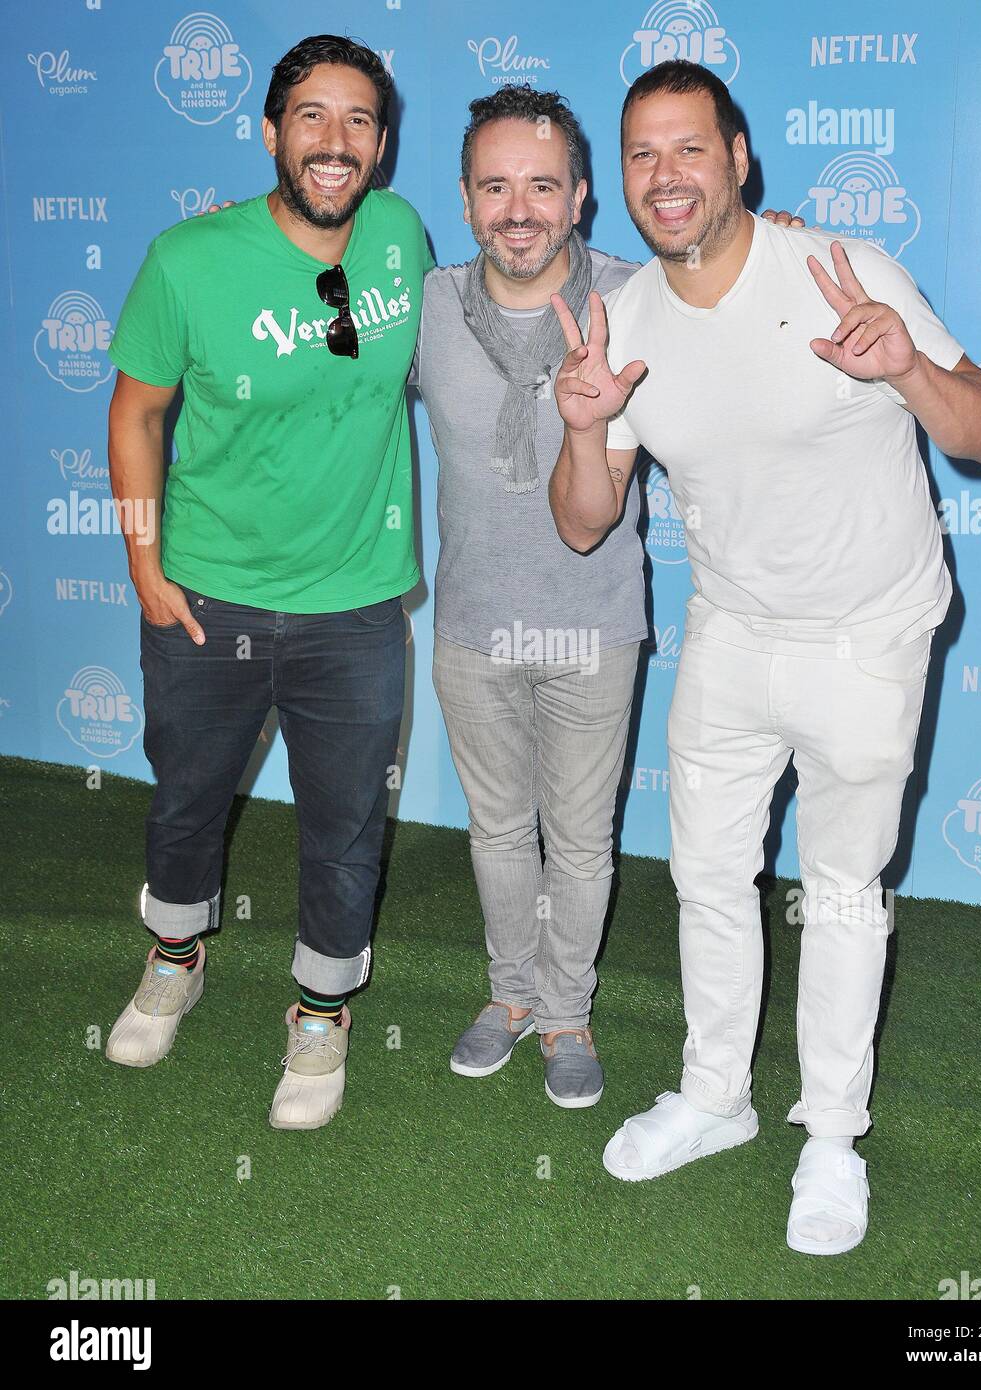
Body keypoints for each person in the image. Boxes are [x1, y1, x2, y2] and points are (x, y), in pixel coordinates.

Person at [548, 60, 981, 1250]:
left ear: (738, 157)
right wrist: (585, 427)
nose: (667, 175)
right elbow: (584, 520)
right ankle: (714, 1099)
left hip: (867, 638)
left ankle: (827, 1139)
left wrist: (903, 364)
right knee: (706, 875)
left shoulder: (839, 271)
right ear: (619, 181)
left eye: (689, 148)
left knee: (844, 892)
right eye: (643, 154)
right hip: (730, 633)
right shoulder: (623, 319)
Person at [414, 87, 803, 1108]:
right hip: (469, 625)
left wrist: (787, 246)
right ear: (463, 200)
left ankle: (568, 1011)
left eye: (541, 185)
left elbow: (747, 280)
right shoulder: (426, 307)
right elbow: (321, 371)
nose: (518, 208)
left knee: (581, 841)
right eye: (494, 186)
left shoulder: (638, 297)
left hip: (593, 627)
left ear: (580, 197)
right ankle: (508, 996)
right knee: (498, 832)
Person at [104, 35, 432, 1132]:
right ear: (270, 132)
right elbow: (137, 410)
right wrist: (145, 559)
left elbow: (521, 277)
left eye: (357, 122)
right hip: (209, 595)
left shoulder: (397, 237)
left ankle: (322, 1012)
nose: (334, 143)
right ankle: (175, 954)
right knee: (188, 801)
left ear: (381, 144)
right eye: (311, 117)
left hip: (356, 605)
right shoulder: (188, 260)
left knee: (343, 823)